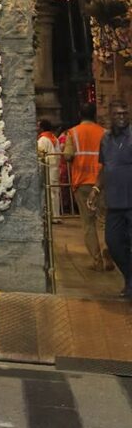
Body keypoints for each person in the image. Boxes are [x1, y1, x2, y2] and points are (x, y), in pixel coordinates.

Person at [89, 100, 132, 299]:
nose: (122, 116)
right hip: (114, 203)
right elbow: (105, 168)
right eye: (118, 114)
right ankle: (130, 278)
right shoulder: (105, 139)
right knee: (113, 244)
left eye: (125, 113)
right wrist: (96, 189)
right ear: (110, 116)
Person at [63, 102, 112, 270]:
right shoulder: (105, 133)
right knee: (105, 220)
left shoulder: (73, 133)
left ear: (79, 114)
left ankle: (97, 260)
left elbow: (68, 155)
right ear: (95, 115)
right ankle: (108, 250)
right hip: (102, 182)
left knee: (88, 223)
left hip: (82, 182)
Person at [37, 118, 62, 219]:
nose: (36, 128)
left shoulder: (43, 140)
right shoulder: (55, 138)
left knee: (49, 191)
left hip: (47, 168)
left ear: (42, 128)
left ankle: (50, 215)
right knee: (55, 192)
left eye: (38, 126)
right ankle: (56, 215)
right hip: (55, 167)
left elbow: (40, 155)